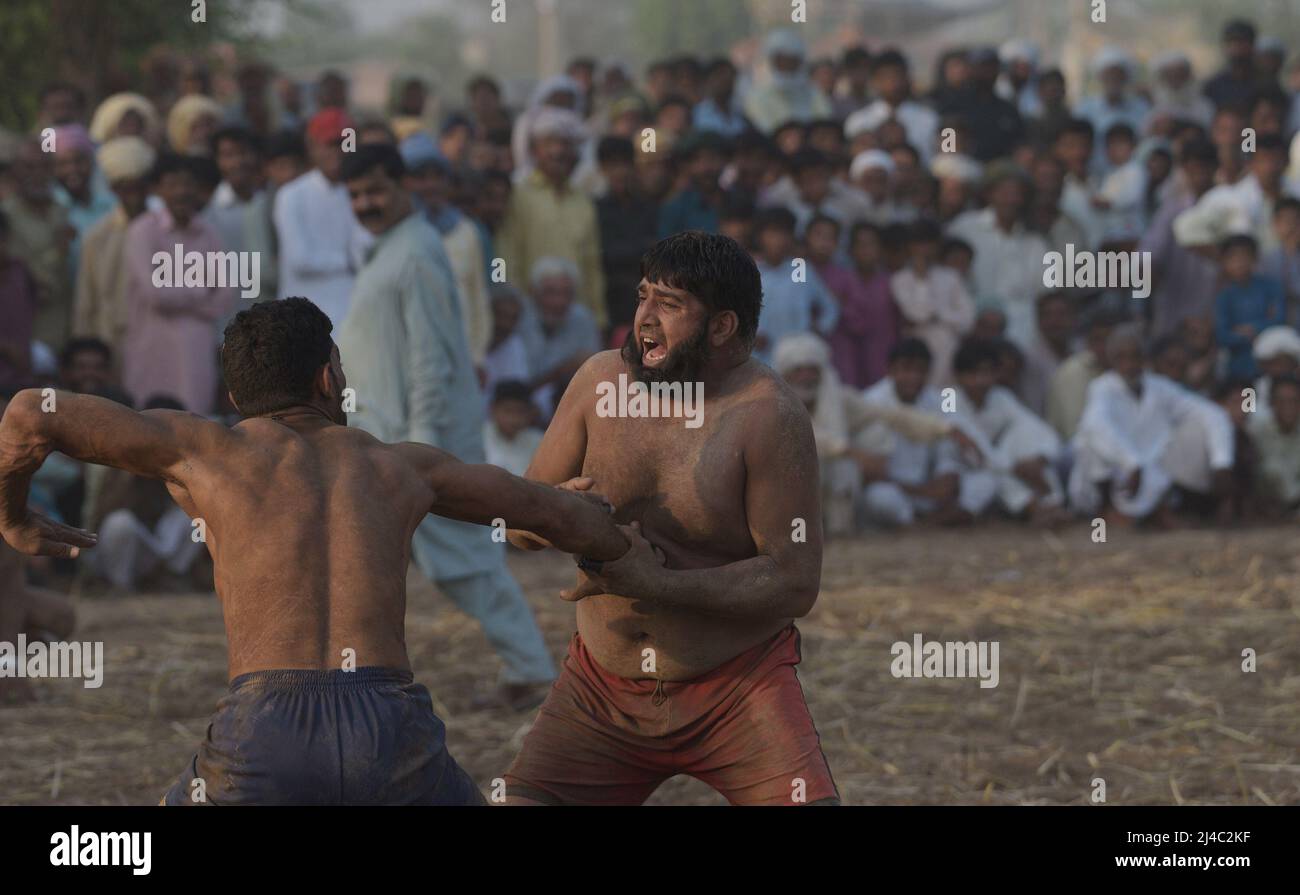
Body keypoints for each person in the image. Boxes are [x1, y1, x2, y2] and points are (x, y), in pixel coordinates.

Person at [0, 297, 629, 802]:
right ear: (329, 378)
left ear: (236, 397)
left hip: (263, 729)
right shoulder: (402, 466)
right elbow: (562, 518)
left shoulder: (203, 452)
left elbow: (30, 413)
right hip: (390, 729)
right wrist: (608, 545)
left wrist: (14, 519)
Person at [501, 231, 839, 805]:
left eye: (670, 303)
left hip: (737, 687)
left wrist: (656, 583)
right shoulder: (599, 382)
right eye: (642, 297)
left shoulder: (767, 415)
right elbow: (519, 527)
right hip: (599, 691)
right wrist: (562, 513)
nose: (645, 318)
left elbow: (794, 580)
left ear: (722, 326)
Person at [335, 145, 560, 709]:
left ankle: (531, 670)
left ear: (403, 187)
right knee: (364, 560)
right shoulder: (391, 248)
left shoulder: (416, 251)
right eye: (356, 195)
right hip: (384, 435)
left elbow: (431, 355)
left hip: (416, 436)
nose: (366, 203)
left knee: (464, 560)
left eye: (376, 190)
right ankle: (355, 679)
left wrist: (421, 445)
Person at [1069, 324, 1235, 525]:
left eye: (1135, 356)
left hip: (1152, 476)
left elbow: (1211, 414)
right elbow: (1097, 426)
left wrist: (1221, 462)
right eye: (1122, 357)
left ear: (1144, 358)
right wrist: (1130, 463)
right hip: (1117, 477)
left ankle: (1165, 510)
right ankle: (1106, 510)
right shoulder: (1101, 388)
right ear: (1112, 360)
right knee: (1087, 438)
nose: (1129, 364)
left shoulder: (1160, 387)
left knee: (1196, 427)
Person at [273, 108, 372, 327]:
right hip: (303, 319)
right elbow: (300, 260)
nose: (340, 151)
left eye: (345, 144)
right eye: (332, 144)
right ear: (312, 147)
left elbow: (366, 251)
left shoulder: (359, 192)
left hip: (352, 315)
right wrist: (347, 261)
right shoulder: (291, 195)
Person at [73, 137, 156, 362]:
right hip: (111, 341)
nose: (133, 195)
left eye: (138, 187)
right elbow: (86, 302)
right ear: (114, 190)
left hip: (157, 338)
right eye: (125, 189)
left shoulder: (165, 231)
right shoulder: (97, 237)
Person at [483, 380, 544, 478]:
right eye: (508, 411)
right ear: (493, 409)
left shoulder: (538, 440)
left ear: (530, 412)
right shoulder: (480, 437)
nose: (514, 419)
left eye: (520, 411)